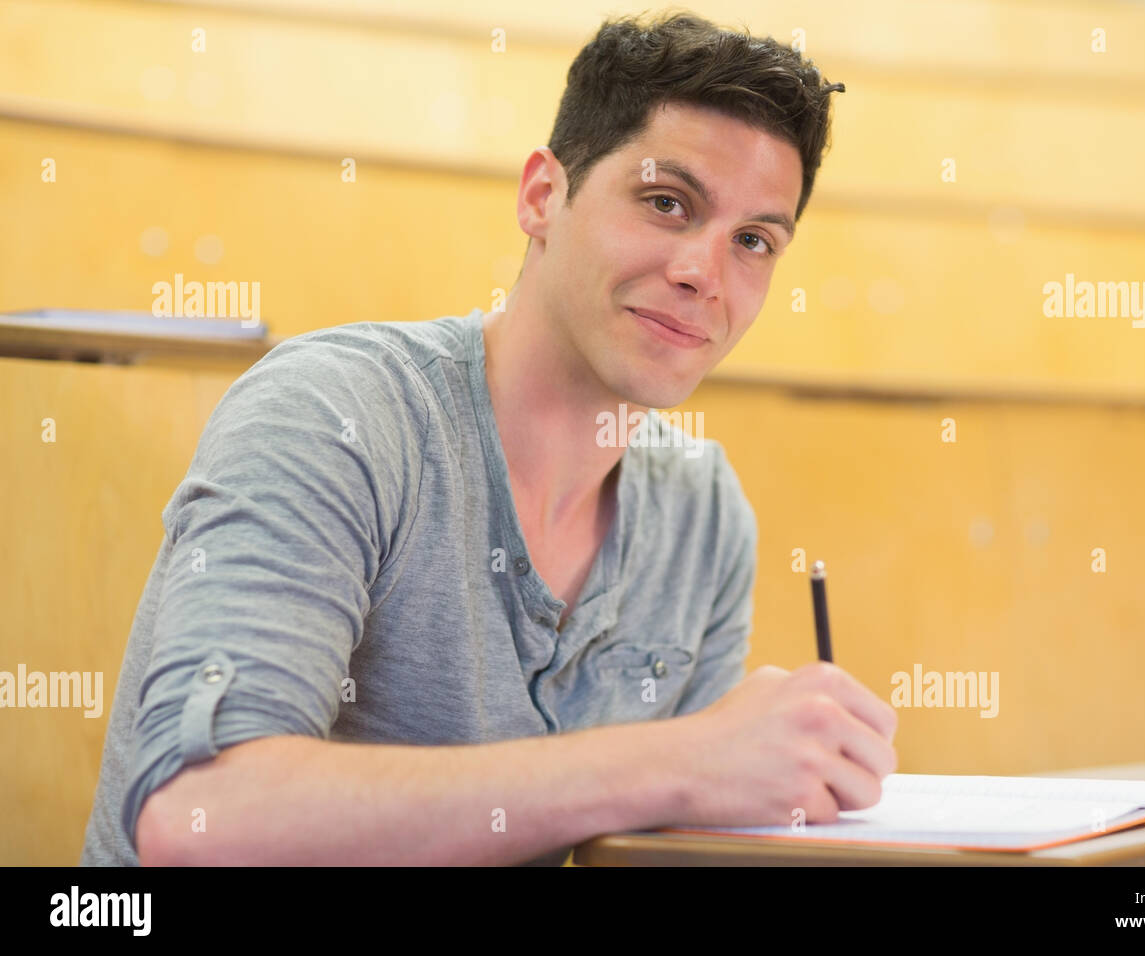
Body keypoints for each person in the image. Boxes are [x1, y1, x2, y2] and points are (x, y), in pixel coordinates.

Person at [80, 10, 896, 867]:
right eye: (666, 202)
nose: (705, 274)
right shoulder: (339, 414)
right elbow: (198, 819)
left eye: (754, 241)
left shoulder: (704, 514)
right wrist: (680, 760)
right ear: (543, 195)